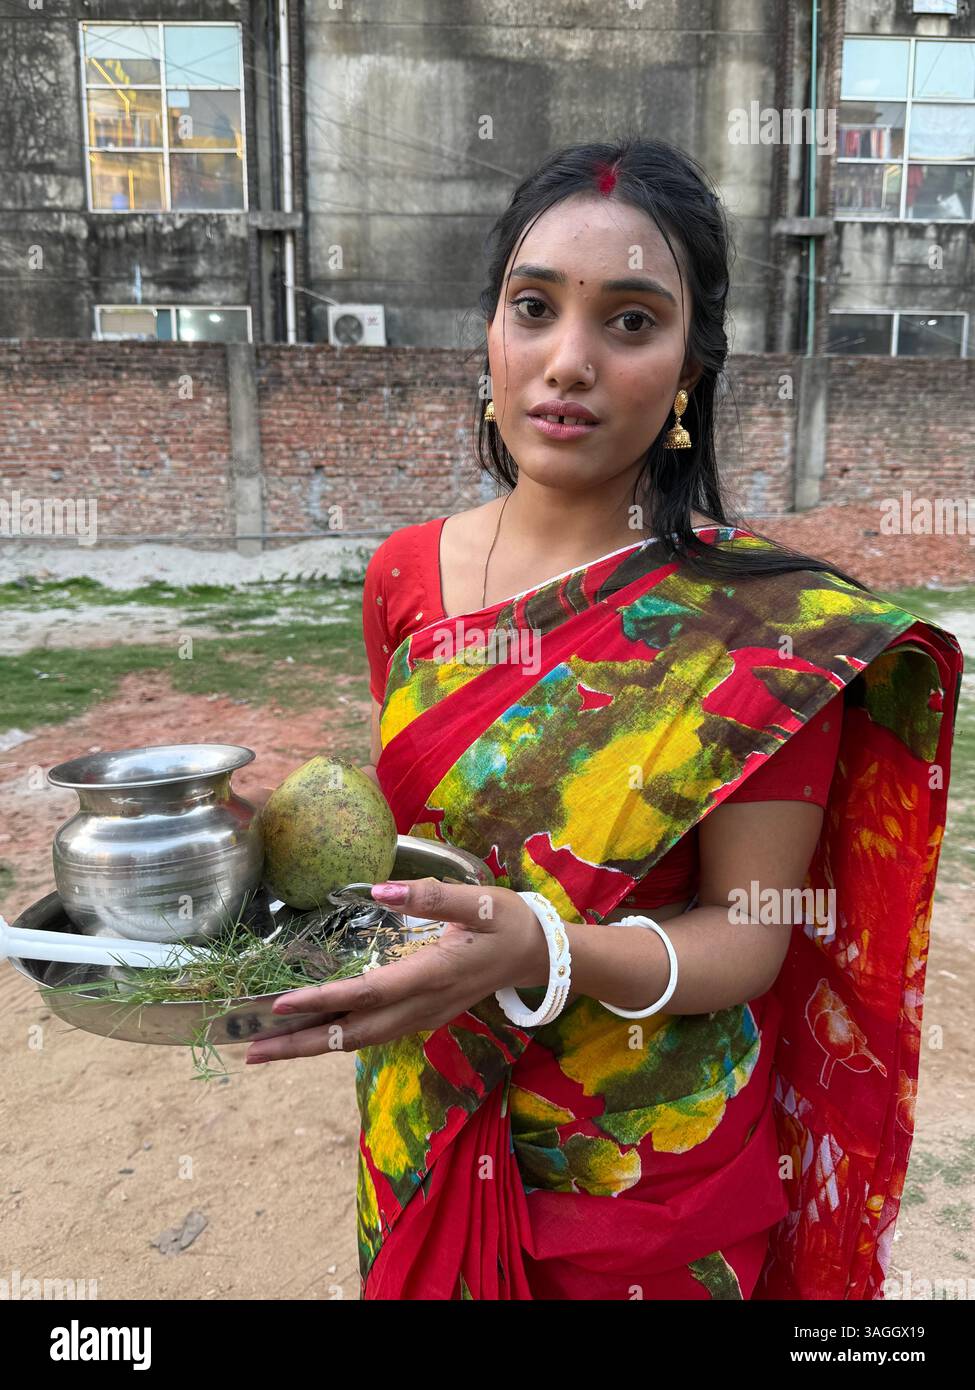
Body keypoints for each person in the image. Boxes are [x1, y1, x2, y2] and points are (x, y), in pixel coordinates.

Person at [244, 136, 963, 1301]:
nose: (567, 361)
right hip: (424, 1130)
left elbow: (752, 932)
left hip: (637, 1183)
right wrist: (257, 841)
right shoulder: (405, 578)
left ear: (689, 364)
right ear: (490, 334)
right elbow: (424, 830)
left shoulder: (768, 630)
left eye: (631, 321)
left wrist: (544, 949)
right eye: (534, 307)